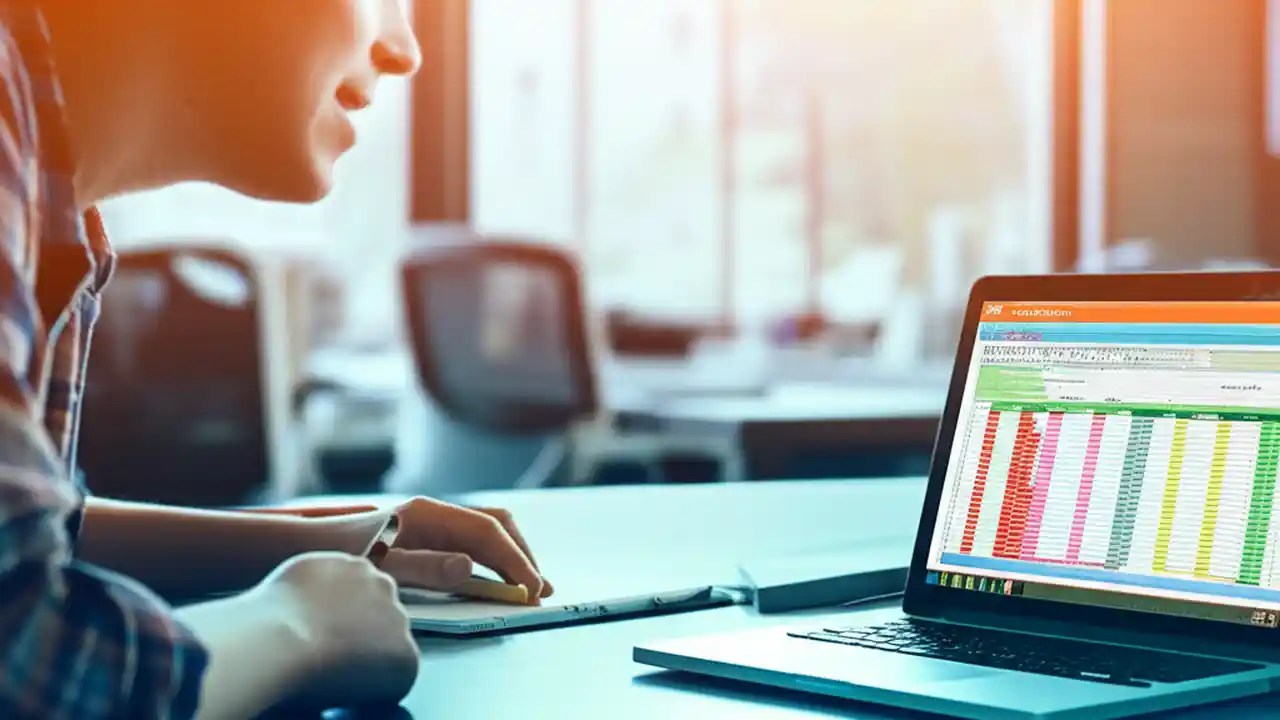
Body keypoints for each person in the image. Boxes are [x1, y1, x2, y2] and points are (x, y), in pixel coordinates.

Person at [0, 1, 553, 718]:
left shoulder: (44, 201)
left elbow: (32, 539)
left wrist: (326, 545)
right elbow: (32, 668)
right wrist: (299, 624)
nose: (405, 50)